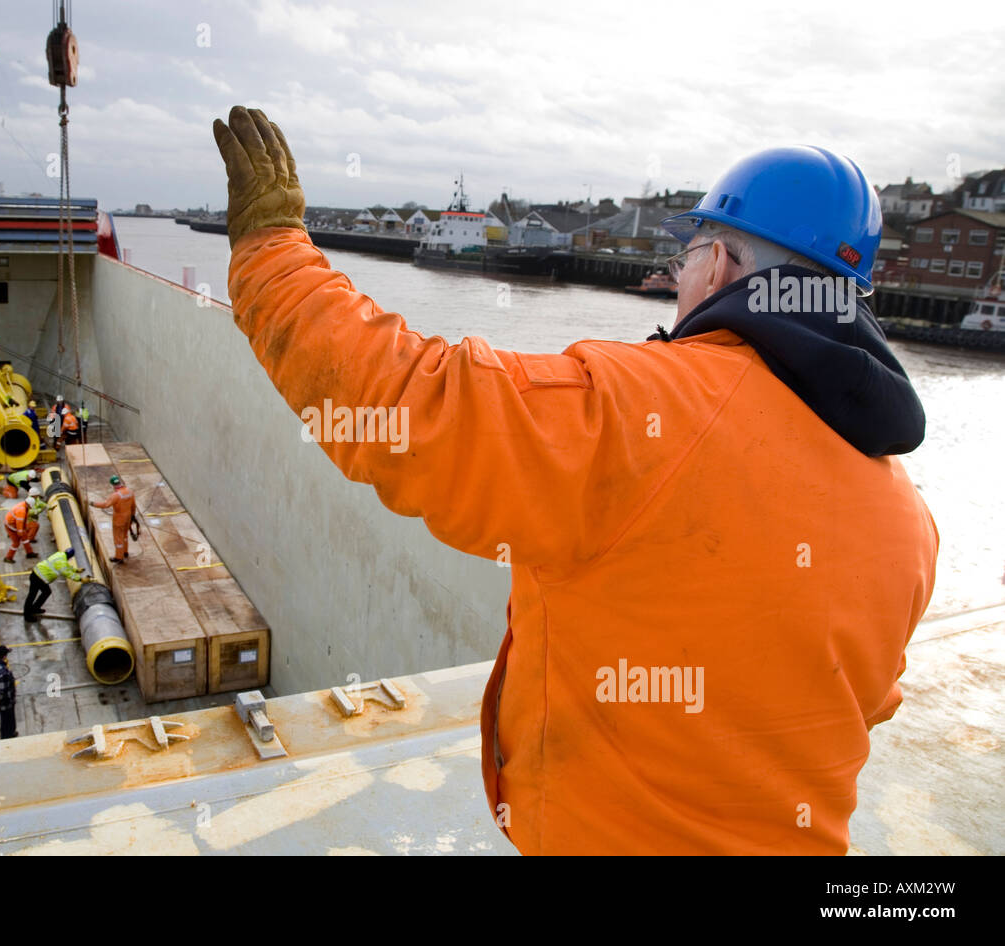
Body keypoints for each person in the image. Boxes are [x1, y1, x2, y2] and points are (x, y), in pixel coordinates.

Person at [212, 107, 938, 855]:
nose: (680, 276)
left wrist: (271, 251)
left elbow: (406, 404)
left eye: (687, 256)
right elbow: (863, 700)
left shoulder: (640, 412)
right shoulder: (909, 520)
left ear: (719, 266)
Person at [24, 545, 86, 621]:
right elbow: (68, 573)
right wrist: (81, 579)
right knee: (34, 595)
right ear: (70, 557)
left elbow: (66, 566)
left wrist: (76, 570)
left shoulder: (60, 555)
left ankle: (35, 608)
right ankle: (27, 615)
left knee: (44, 592)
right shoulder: (62, 562)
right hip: (39, 578)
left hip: (37, 574)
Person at [91, 474, 137, 563]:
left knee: (118, 538)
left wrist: (93, 504)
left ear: (112, 485)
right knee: (125, 535)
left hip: (119, 519)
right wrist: (132, 516)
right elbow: (133, 506)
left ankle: (119, 557)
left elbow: (105, 505)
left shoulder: (116, 495)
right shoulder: (130, 491)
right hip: (128, 517)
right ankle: (125, 552)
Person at [3, 489, 46, 563]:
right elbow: (19, 522)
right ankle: (8, 558)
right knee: (16, 543)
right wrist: (20, 532)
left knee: (25, 538)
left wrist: (24, 530)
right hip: (11, 526)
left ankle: (29, 553)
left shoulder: (24, 505)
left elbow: (23, 520)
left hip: (14, 523)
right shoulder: (21, 511)